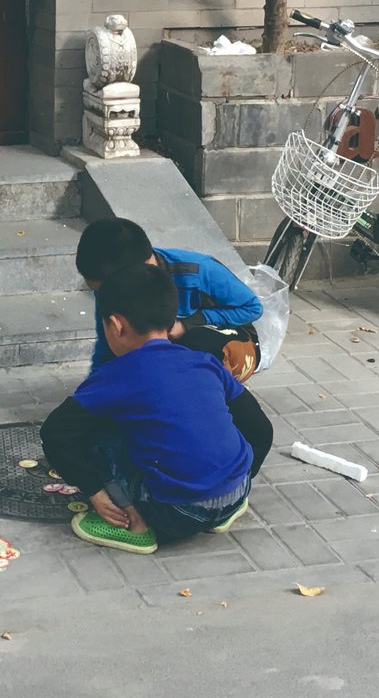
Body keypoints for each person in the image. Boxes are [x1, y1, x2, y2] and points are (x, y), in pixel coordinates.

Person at [41, 263, 273, 554]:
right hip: (237, 492)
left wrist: (95, 492)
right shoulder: (204, 361)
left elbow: (55, 432)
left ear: (115, 325)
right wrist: (234, 481)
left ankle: (134, 524)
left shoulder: (118, 373)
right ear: (171, 318)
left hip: (174, 514)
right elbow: (261, 429)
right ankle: (223, 509)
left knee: (96, 431)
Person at [76, 217, 264, 381]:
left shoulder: (199, 271)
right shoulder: (109, 284)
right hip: (169, 352)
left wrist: (188, 324)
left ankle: (215, 395)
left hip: (227, 344)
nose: (106, 296)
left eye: (106, 289)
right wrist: (94, 388)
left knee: (197, 346)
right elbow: (107, 345)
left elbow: (252, 308)